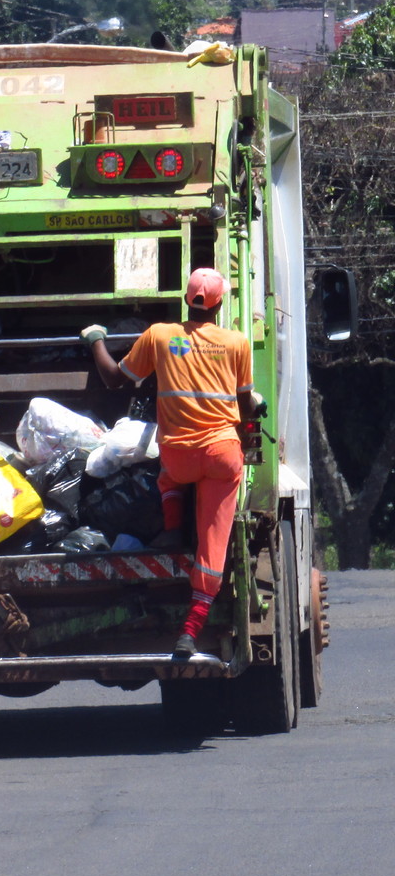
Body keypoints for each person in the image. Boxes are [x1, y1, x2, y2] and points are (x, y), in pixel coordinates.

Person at [81, 268, 260, 662]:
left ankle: (173, 529)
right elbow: (246, 405)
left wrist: (96, 340)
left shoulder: (160, 335)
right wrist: (247, 437)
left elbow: (114, 379)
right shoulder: (237, 343)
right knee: (213, 546)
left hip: (179, 457)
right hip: (221, 455)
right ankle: (190, 631)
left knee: (167, 475)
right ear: (219, 304)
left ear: (186, 300)